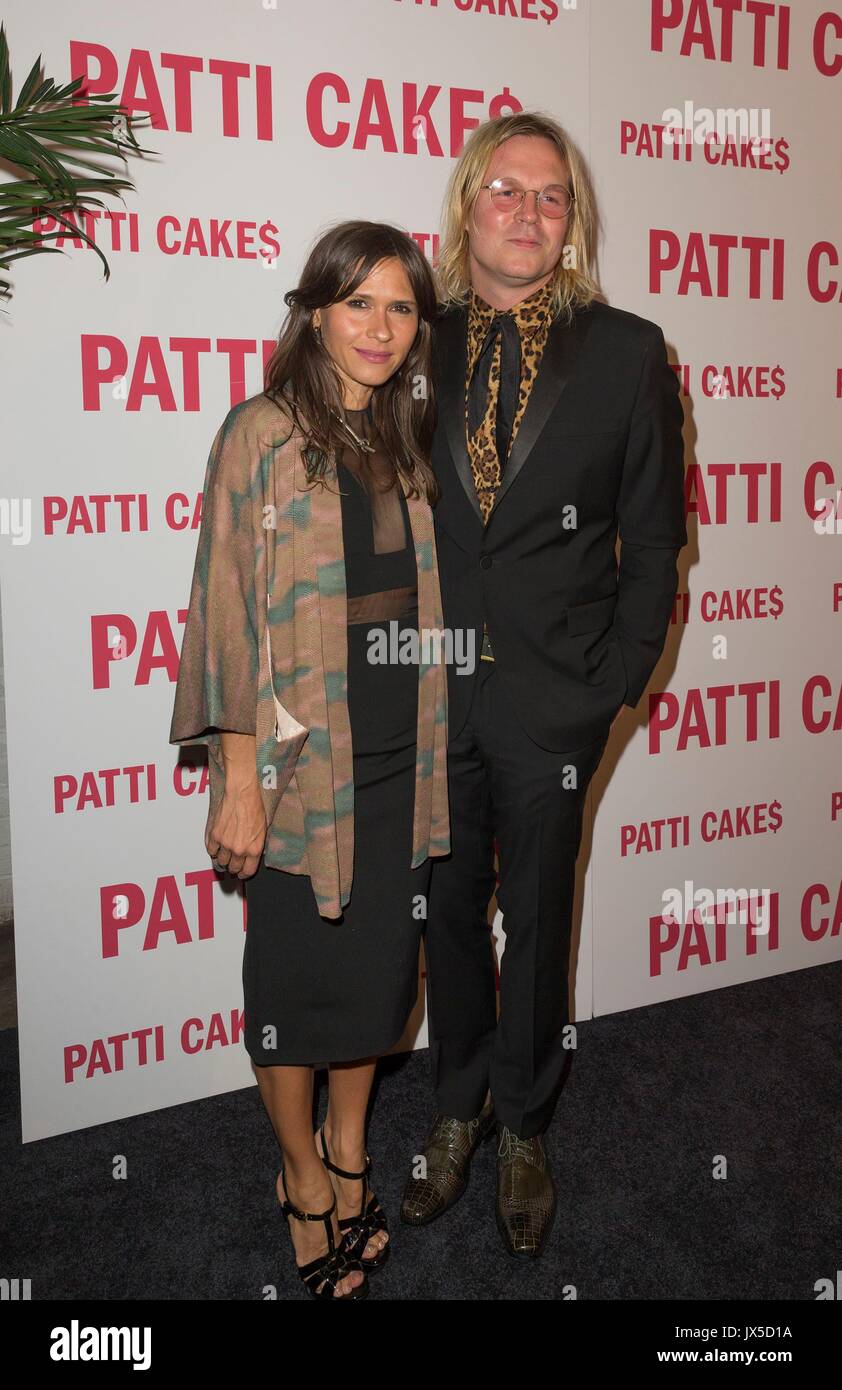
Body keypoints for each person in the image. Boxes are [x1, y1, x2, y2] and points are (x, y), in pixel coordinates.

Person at [400, 112, 688, 1258]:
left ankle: (524, 1121)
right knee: (447, 913)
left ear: (572, 222)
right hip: (429, 687)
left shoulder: (625, 350)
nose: (527, 212)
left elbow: (655, 542)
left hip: (555, 700)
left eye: (551, 196)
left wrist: (612, 681)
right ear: (467, 202)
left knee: (540, 914)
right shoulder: (404, 339)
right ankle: (457, 1105)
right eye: (505, 190)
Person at [170, 222, 450, 1299]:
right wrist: (236, 777)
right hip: (294, 774)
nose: (379, 328)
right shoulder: (259, 434)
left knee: (376, 990)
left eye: (400, 308)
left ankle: (349, 1151)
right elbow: (225, 616)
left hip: (399, 766)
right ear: (315, 312)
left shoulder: (410, 436)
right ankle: (299, 1178)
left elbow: (425, 614)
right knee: (293, 992)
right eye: (357, 303)